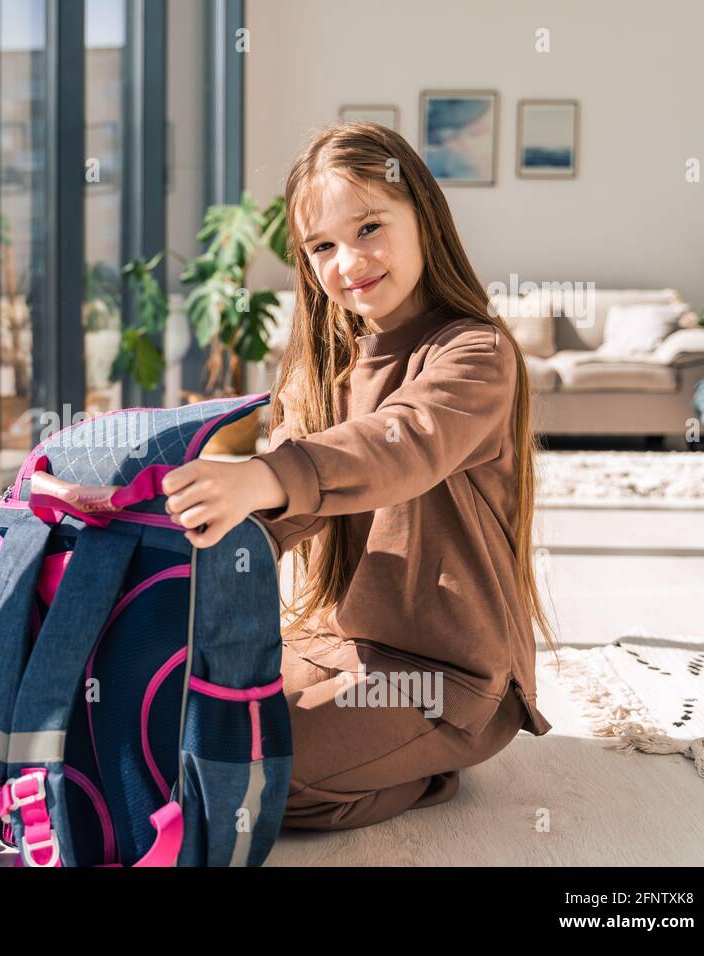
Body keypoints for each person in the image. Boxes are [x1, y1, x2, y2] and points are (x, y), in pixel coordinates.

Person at [160, 121, 557, 831]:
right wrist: (180, 529)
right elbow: (287, 516)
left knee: (257, 778)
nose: (349, 261)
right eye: (322, 246)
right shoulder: (318, 373)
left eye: (369, 226)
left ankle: (431, 770)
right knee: (181, 735)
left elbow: (396, 445)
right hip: (333, 646)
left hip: (448, 679)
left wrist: (263, 474)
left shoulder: (476, 352)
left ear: (425, 220)